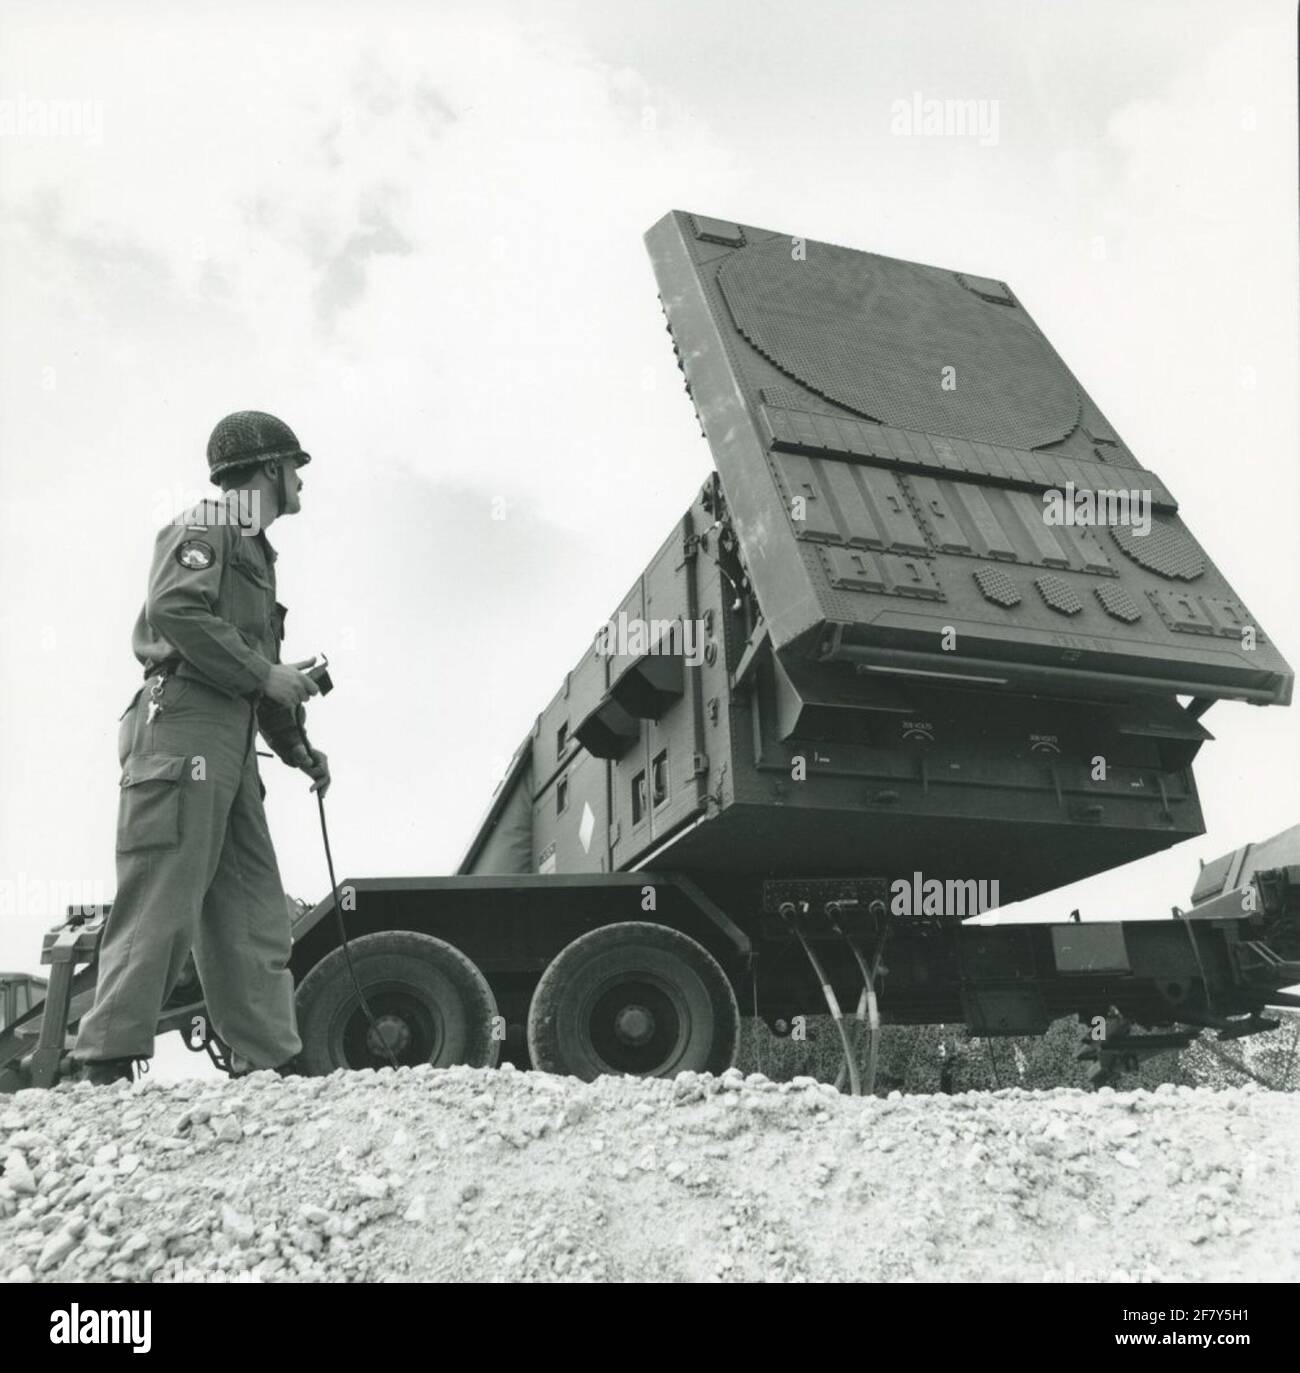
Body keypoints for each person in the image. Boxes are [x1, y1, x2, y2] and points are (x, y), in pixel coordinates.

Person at [71, 411, 330, 1086]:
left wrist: (297, 746)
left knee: (252, 904)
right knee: (164, 891)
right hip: (184, 724)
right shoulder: (208, 525)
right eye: (296, 467)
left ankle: (272, 1057)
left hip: (230, 737)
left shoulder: (256, 555)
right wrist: (267, 673)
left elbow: (252, 672)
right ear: (271, 468)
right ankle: (106, 1057)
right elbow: (176, 611)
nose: (301, 481)